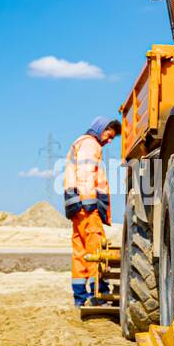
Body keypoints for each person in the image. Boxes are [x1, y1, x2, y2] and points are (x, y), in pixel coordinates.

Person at [64, 116, 120, 307]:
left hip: (76, 207)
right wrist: (90, 203)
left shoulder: (79, 143)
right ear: (100, 129)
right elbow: (86, 174)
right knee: (97, 249)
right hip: (87, 208)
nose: (109, 140)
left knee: (80, 252)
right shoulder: (91, 144)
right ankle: (100, 293)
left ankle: (80, 298)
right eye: (108, 134)